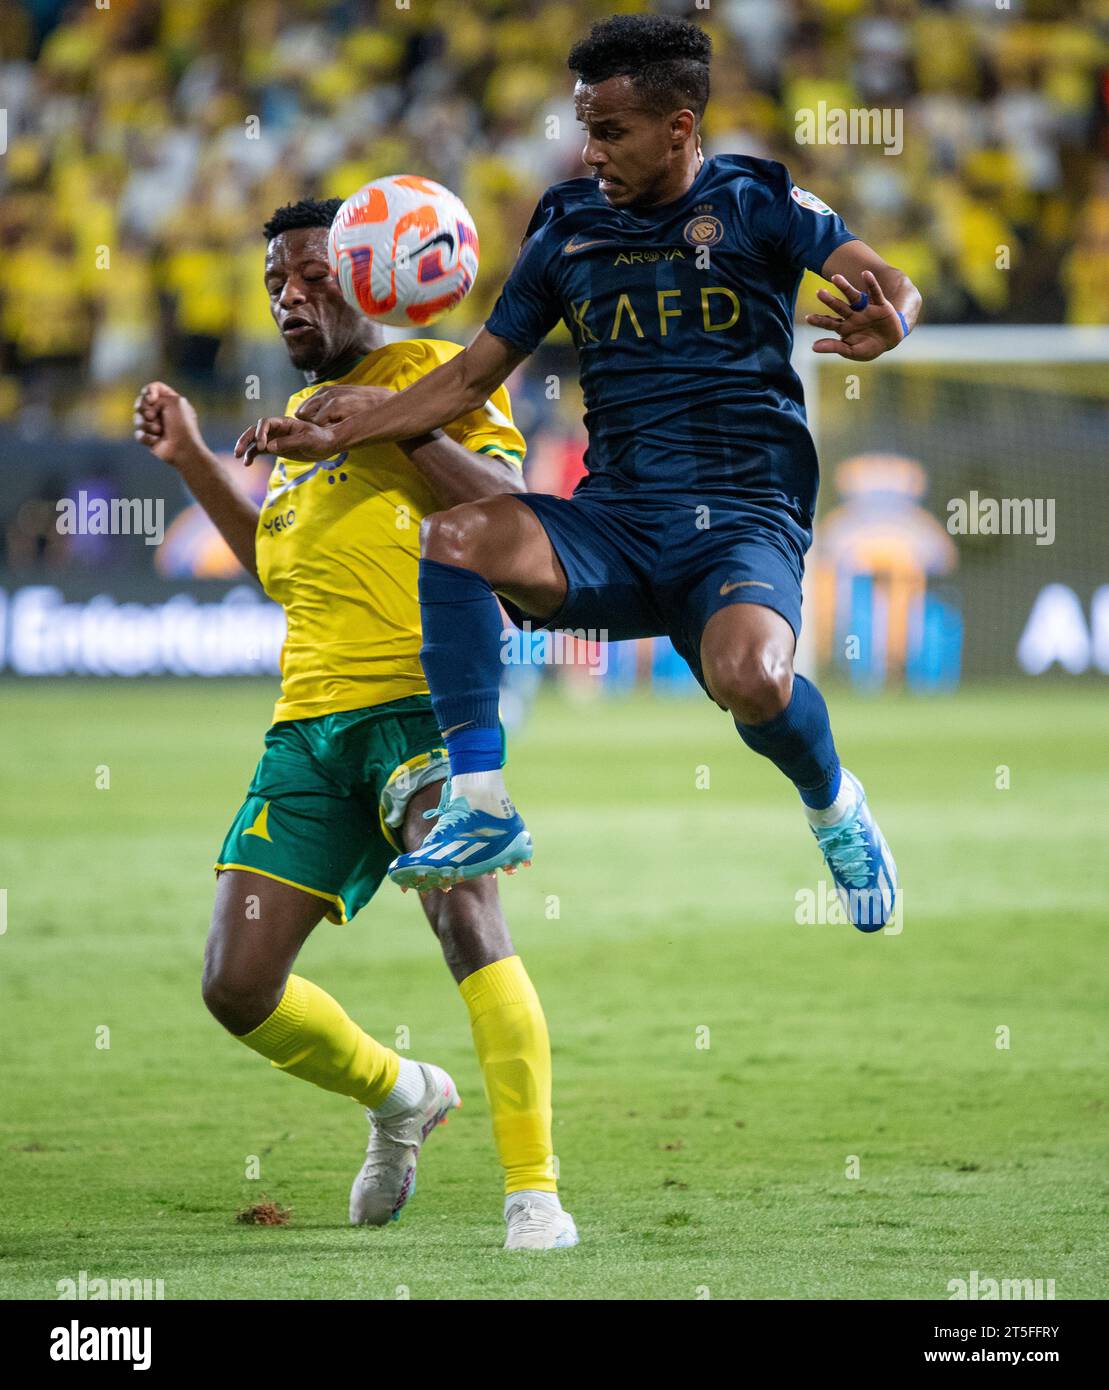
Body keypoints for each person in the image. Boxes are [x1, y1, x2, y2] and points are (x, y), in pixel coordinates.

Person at [235, 17, 921, 933]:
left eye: (609, 132)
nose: (587, 150)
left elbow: (882, 278)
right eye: (582, 126)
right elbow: (472, 375)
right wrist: (345, 432)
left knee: (750, 679)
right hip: (617, 522)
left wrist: (895, 317)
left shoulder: (757, 200)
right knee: (458, 536)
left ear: (679, 126)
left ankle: (834, 806)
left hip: (743, 517)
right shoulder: (566, 225)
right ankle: (480, 802)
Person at [134, 198, 578, 1251]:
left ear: (372, 270)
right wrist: (197, 458)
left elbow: (505, 513)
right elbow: (286, 574)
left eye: (311, 275)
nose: (290, 297)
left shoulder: (436, 372)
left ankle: (534, 1193)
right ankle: (400, 1094)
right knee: (236, 986)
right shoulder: (307, 416)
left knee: (464, 916)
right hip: (308, 730)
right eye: (275, 284)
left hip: (424, 710)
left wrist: (390, 428)